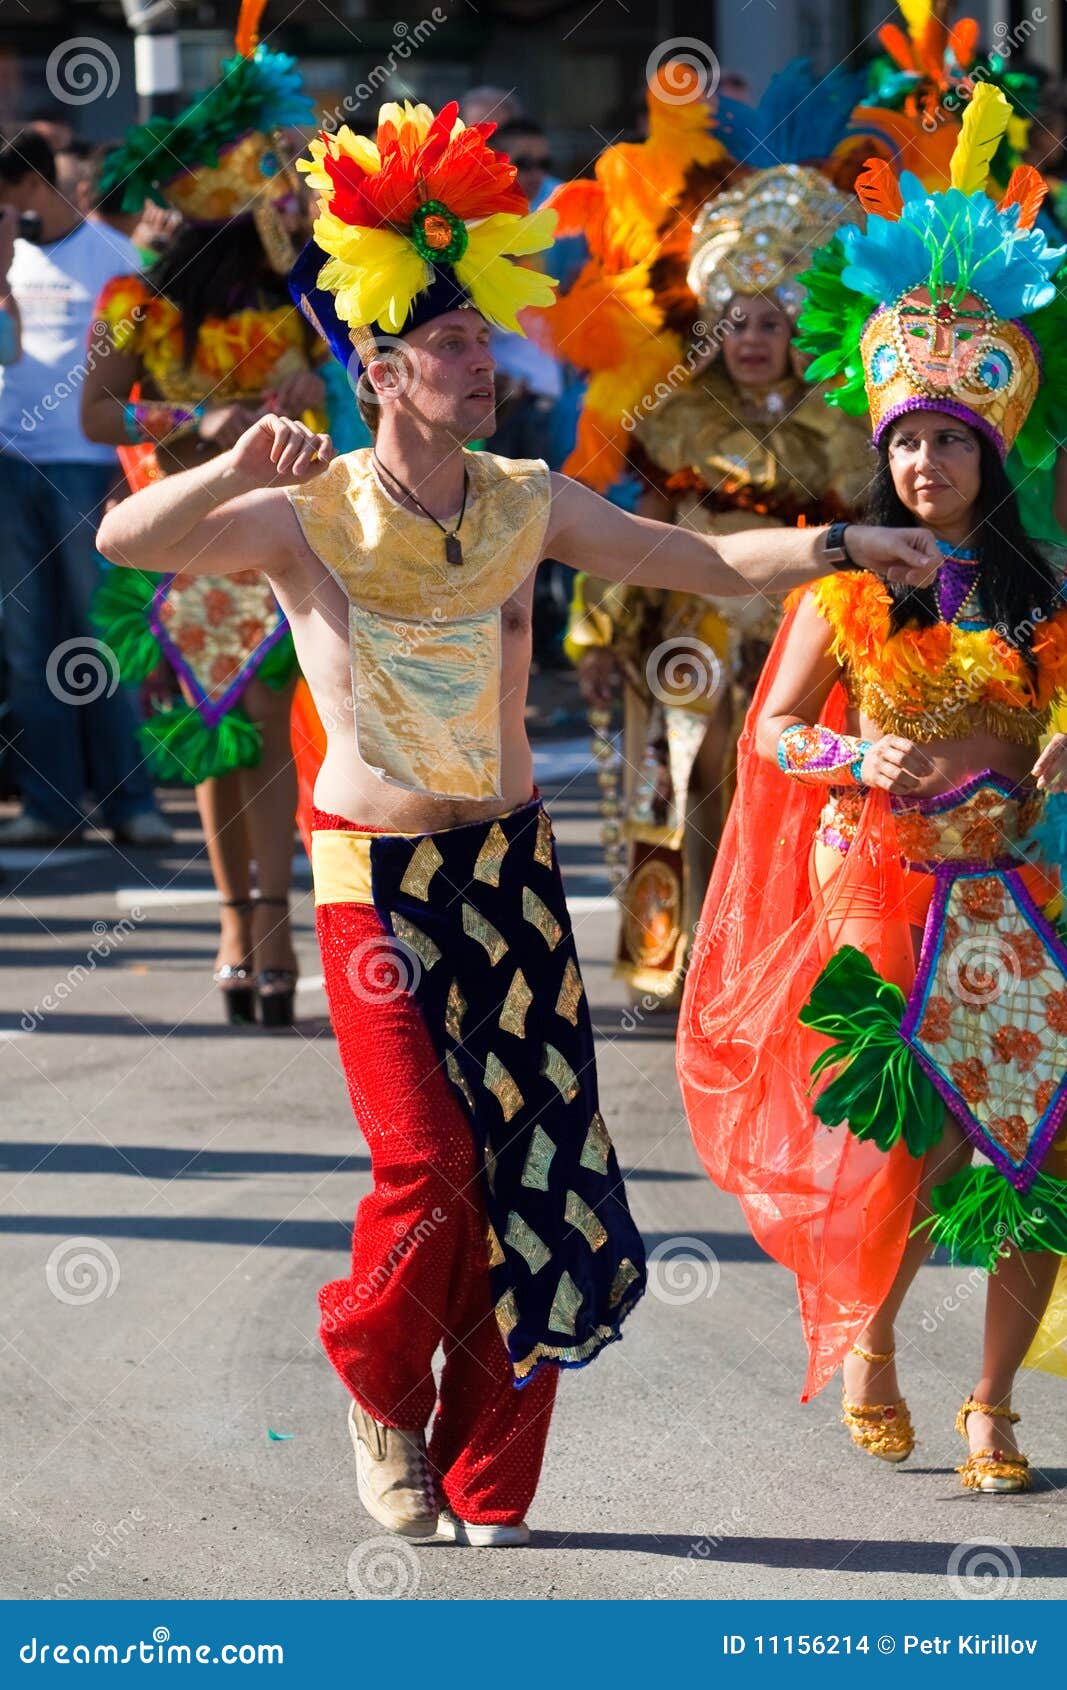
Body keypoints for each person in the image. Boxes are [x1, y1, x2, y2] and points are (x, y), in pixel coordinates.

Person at [95, 96, 939, 1546]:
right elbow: (128, 539)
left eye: (482, 341)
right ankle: (375, 1386)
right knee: (426, 1162)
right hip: (371, 873)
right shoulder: (312, 514)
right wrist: (232, 464)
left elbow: (696, 556)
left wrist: (843, 541)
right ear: (379, 370)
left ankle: (484, 1474)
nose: (482, 364)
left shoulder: (526, 499)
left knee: (530, 1175)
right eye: (450, 347)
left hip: (510, 871)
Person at [679, 84, 1067, 1494]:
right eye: (905, 439)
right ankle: (874, 1343)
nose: (922, 462)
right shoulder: (840, 577)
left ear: (990, 449)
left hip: (1016, 890)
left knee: (1027, 1151)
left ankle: (991, 1409)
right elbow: (770, 736)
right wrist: (859, 755)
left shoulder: (1041, 591)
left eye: (948, 440)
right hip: (878, 890)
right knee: (903, 1147)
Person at [551, 62, 873, 1002]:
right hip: (690, 626)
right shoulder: (673, 410)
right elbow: (635, 522)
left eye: (769, 323)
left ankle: (795, 959)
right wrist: (599, 629)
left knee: (796, 794)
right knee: (682, 789)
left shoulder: (847, 417)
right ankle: (681, 963)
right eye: (735, 322)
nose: (750, 339)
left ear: (797, 326)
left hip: (809, 631)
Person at [80, 7, 324, 1026]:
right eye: (270, 193)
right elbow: (97, 412)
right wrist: (198, 414)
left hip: (275, 531)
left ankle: (275, 923)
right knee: (211, 738)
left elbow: (345, 392)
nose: (291, 207)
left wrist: (311, 386)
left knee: (270, 727)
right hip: (172, 535)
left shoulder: (301, 296)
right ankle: (236, 926)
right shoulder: (132, 300)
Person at [0, 127, 171, 848]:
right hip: (9, 466)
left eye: (7, 202)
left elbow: (148, 368)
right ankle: (50, 804)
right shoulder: (5, 259)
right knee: (28, 645)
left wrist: (134, 476)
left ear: (34, 188)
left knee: (99, 638)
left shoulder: (115, 258)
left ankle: (132, 802)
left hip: (87, 469)